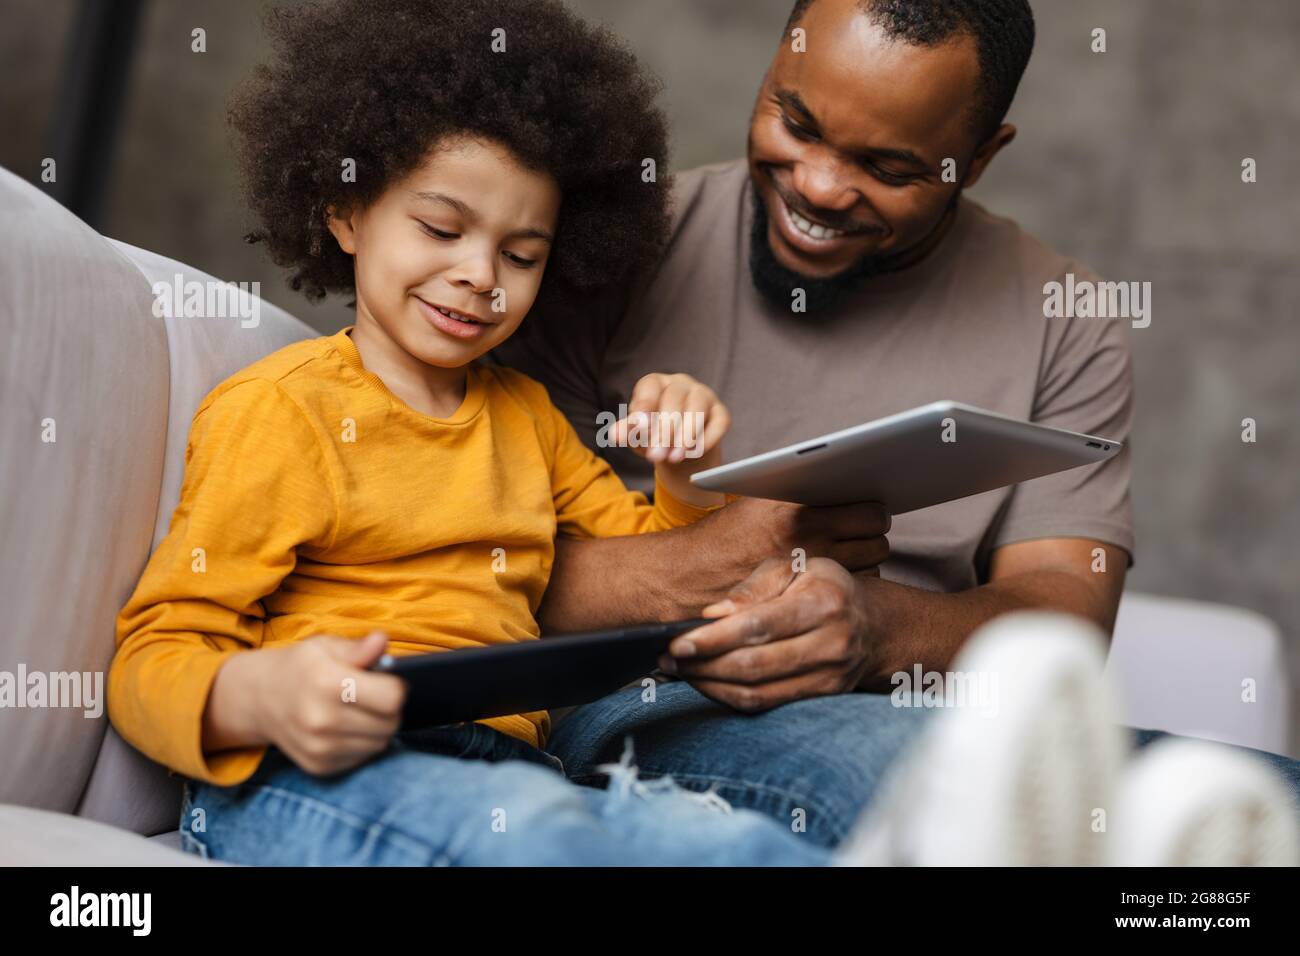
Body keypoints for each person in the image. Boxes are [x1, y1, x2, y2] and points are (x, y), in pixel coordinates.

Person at [493, 0, 1300, 848]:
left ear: (980, 158)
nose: (818, 185)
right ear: (776, 63)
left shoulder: (1065, 315)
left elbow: (1067, 608)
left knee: (1271, 807)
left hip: (933, 712)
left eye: (888, 166)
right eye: (795, 122)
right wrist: (715, 558)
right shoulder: (612, 251)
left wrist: (876, 630)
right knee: (936, 789)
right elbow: (463, 562)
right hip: (655, 697)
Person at [107, 0, 851, 866]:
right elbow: (154, 654)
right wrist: (256, 694)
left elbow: (662, 564)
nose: (479, 276)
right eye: (441, 228)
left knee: (690, 835)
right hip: (305, 778)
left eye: (522, 254)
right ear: (346, 214)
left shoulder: (525, 417)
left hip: (507, 771)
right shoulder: (281, 411)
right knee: (545, 835)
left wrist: (682, 465)